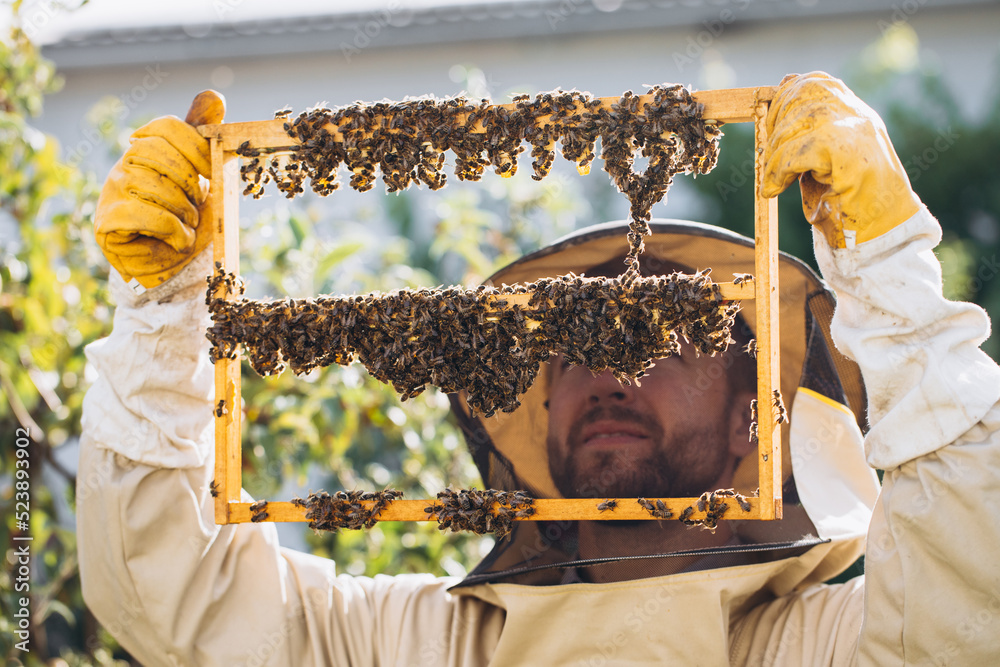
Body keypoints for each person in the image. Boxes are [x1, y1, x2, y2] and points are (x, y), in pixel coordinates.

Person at [79, 72, 1000, 665]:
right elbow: (173, 595)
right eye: (569, 343)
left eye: (660, 336)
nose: (606, 366)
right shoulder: (413, 642)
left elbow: (973, 593)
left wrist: (888, 273)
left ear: (750, 421)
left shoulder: (827, 646)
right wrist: (167, 310)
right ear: (533, 408)